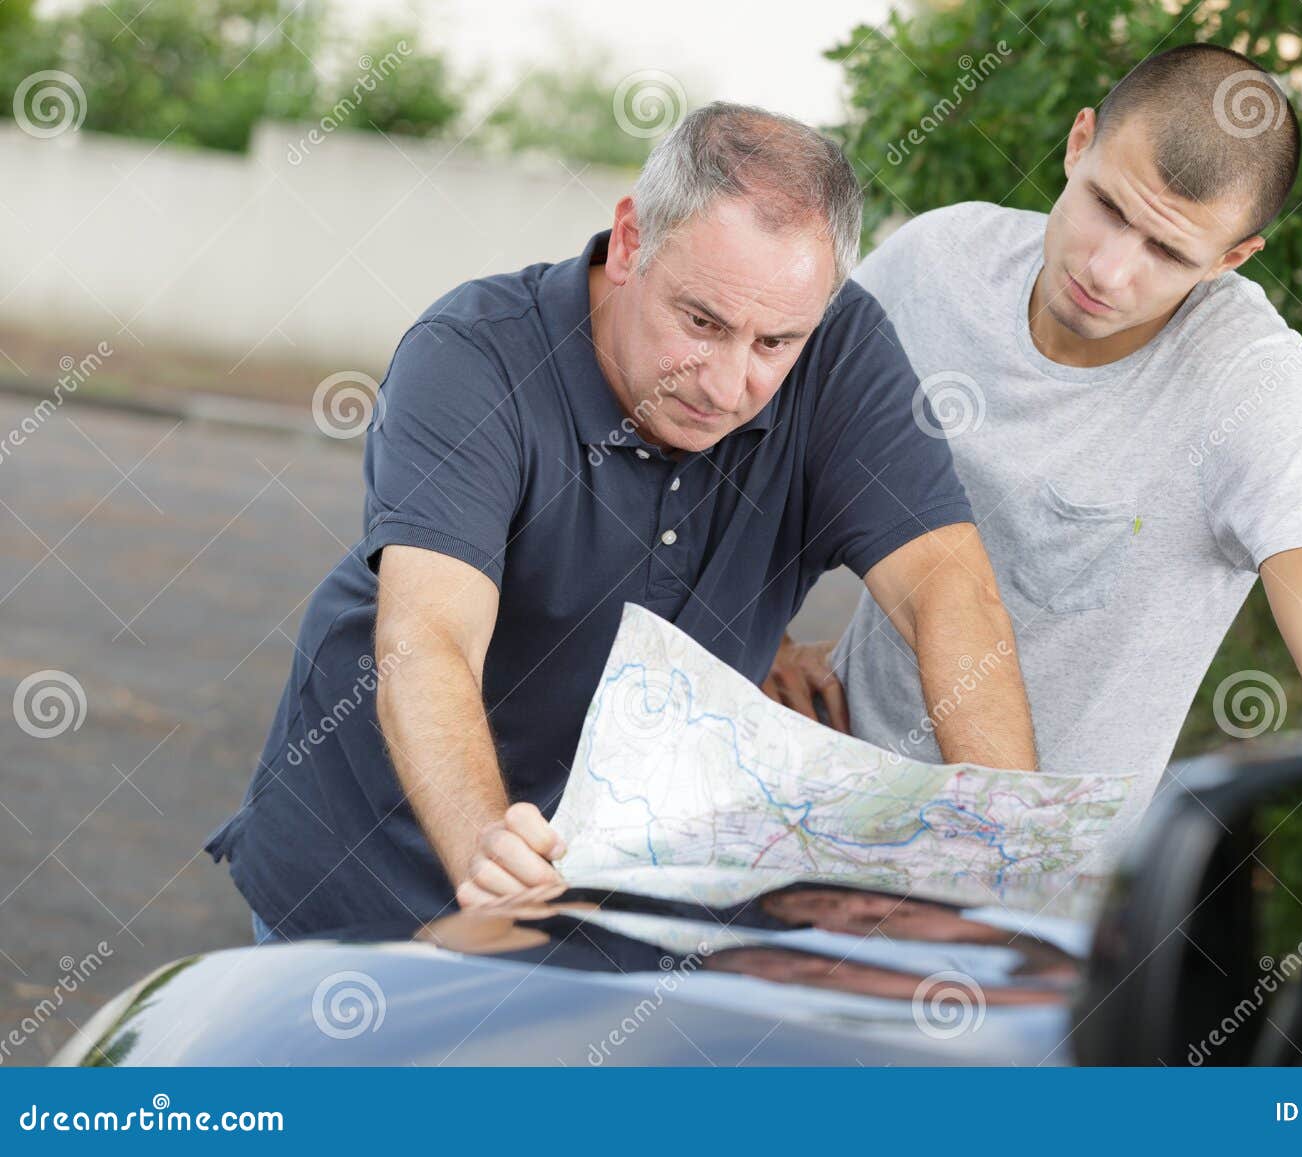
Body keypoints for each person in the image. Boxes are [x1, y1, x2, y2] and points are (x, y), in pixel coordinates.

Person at [205, 102, 1039, 942]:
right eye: (702, 323)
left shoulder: (841, 350)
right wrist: (484, 844)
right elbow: (428, 640)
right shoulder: (472, 353)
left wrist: (1018, 863)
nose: (727, 385)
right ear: (632, 240)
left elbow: (948, 595)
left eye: (774, 344)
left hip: (626, 895)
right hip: (374, 876)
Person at [764, 44, 1302, 868]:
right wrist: (765, 641)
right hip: (822, 805)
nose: (1108, 271)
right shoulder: (936, 261)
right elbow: (758, 441)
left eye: (1167, 253)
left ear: (1230, 259)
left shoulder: (1252, 386)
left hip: (1042, 888)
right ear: (1079, 143)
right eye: (1107, 206)